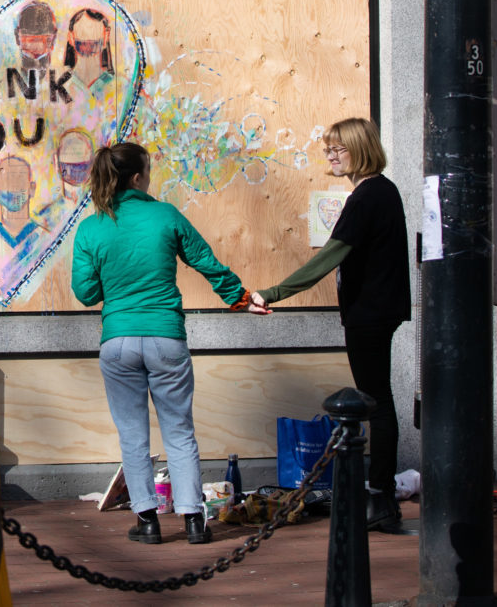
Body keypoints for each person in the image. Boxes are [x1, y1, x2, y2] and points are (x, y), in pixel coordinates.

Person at [71, 142, 266, 546]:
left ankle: (147, 522)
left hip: (118, 342)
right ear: (139, 177)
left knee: (132, 435)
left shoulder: (92, 227)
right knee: (179, 430)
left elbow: (86, 293)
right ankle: (194, 520)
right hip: (166, 338)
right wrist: (241, 298)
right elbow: (207, 262)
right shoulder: (166, 215)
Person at [250, 118, 411, 532]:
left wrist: (274, 292)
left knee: (377, 404)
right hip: (378, 311)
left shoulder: (369, 196)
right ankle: (381, 495)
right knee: (379, 401)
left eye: (339, 149)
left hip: (369, 314)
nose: (331, 156)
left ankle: (380, 499)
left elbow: (329, 257)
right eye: (329, 149)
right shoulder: (380, 192)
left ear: (360, 149)